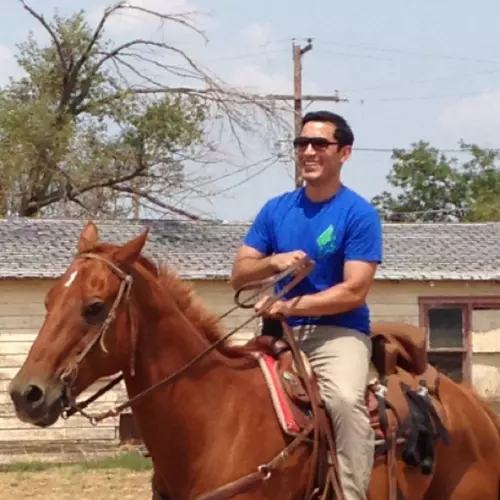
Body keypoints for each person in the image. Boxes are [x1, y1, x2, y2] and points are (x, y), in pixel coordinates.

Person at [229, 110, 383, 500]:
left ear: (344, 152)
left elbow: (354, 291)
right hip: (278, 334)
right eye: (302, 144)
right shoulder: (276, 209)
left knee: (346, 402)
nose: (308, 151)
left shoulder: (358, 214)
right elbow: (239, 274)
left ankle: (351, 495)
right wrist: (272, 262)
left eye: (320, 144)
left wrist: (291, 305)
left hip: (338, 333)